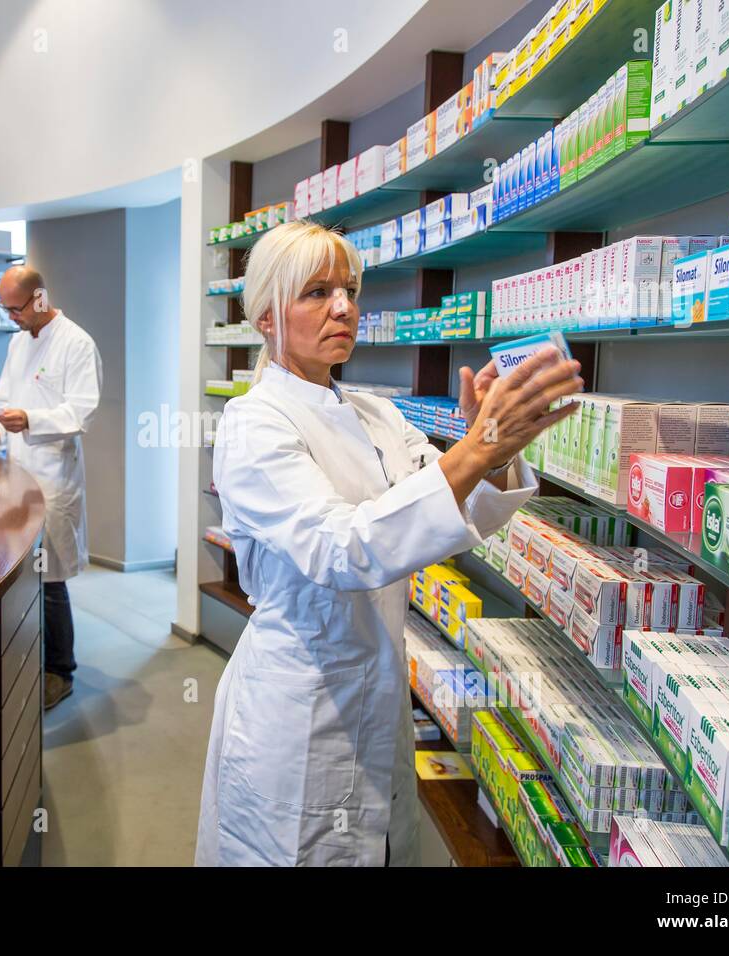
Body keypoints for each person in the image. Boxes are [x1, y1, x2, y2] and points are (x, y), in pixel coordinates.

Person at [194, 221, 583, 866]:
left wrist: (494, 451)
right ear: (265, 316)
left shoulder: (375, 413)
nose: (344, 307)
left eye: (349, 289)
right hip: (299, 703)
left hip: (378, 687)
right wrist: (476, 445)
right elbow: (346, 550)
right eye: (316, 292)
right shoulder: (253, 424)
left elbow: (443, 515)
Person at [0, 265, 101, 710]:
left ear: (39, 297)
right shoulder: (17, 343)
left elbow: (82, 413)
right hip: (17, 474)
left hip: (53, 478)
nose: (11, 318)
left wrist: (32, 421)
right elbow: (3, 405)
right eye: (5, 310)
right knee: (22, 575)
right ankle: (30, 659)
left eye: (15, 308)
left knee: (51, 578)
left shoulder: (76, 343)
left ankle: (61, 672)